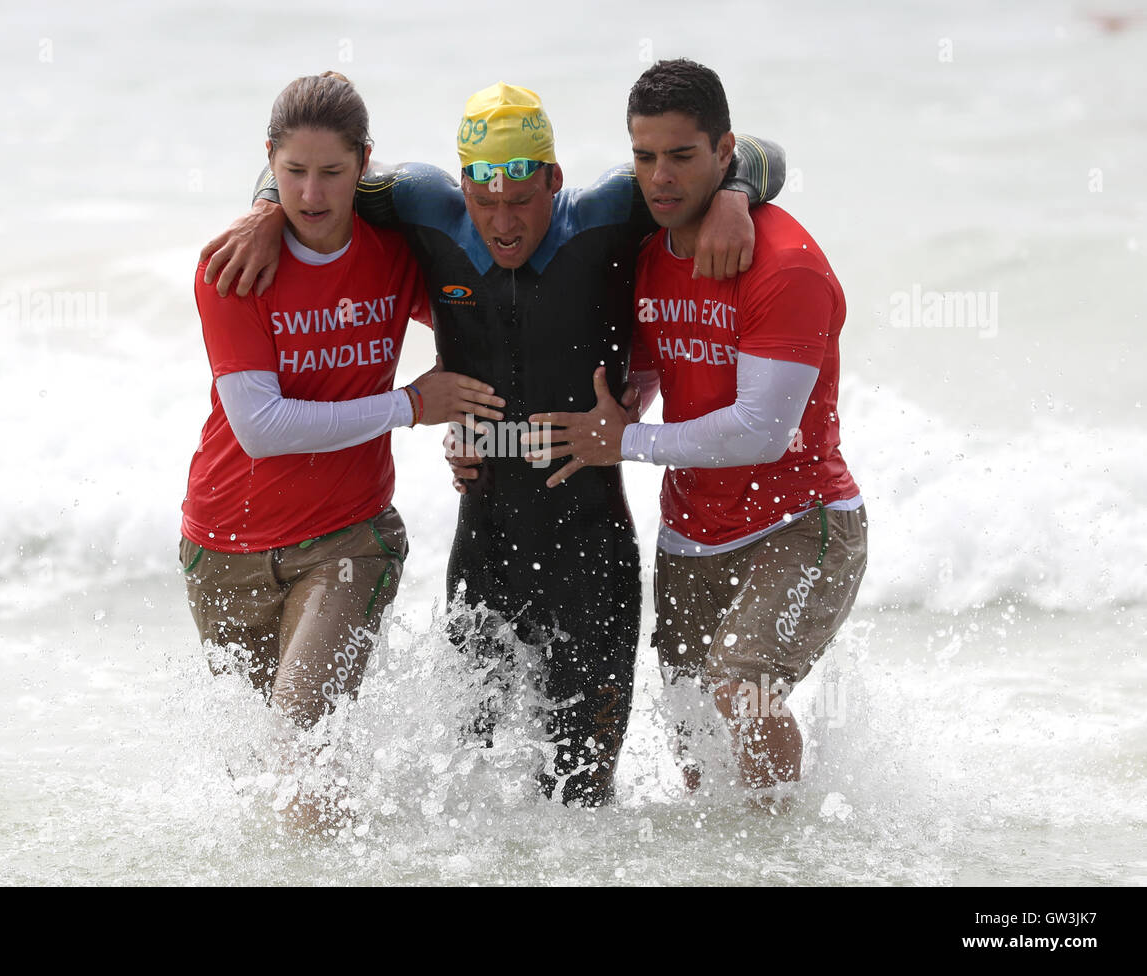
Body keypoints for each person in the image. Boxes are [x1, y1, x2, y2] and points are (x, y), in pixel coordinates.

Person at [200, 81, 785, 806]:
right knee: (468, 793)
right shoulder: (425, 208)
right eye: (486, 200)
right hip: (484, 555)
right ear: (462, 185)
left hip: (591, 558)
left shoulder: (608, 212)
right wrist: (263, 212)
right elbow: (316, 169)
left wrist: (732, 195)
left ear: (554, 179)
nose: (503, 222)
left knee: (580, 799)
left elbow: (759, 153)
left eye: (522, 199)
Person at [522, 59, 867, 809]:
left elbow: (761, 432)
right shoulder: (650, 250)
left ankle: (781, 851)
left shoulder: (785, 264)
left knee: (742, 689)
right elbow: (644, 374)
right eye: (645, 157)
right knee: (695, 740)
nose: (660, 177)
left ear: (724, 152)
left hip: (800, 522)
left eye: (682, 155)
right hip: (691, 534)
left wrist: (627, 444)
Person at [180, 72, 504, 822]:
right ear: (269, 160)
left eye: (332, 172)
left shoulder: (394, 253)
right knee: (267, 782)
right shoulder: (235, 264)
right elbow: (261, 429)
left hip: (346, 540)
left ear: (365, 163)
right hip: (223, 543)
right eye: (292, 173)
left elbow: (487, 326)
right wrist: (411, 405)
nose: (312, 194)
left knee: (302, 751)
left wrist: (482, 424)